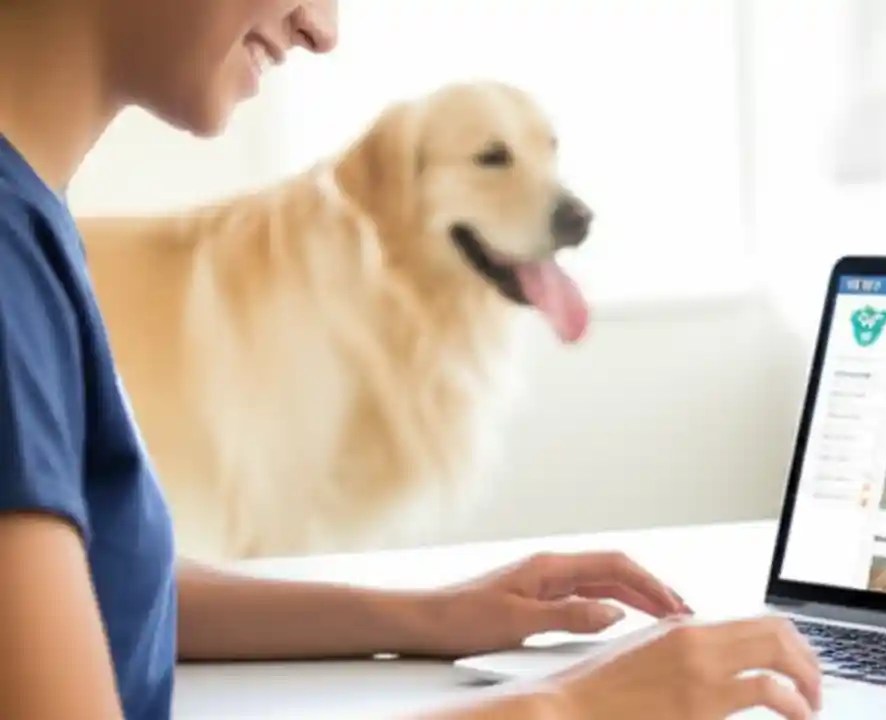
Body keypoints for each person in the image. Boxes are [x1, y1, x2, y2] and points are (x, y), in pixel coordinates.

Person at [0, 2, 822, 719]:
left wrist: (428, 615)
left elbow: (111, 589)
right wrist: (566, 707)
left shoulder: (31, 223)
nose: (322, 27)